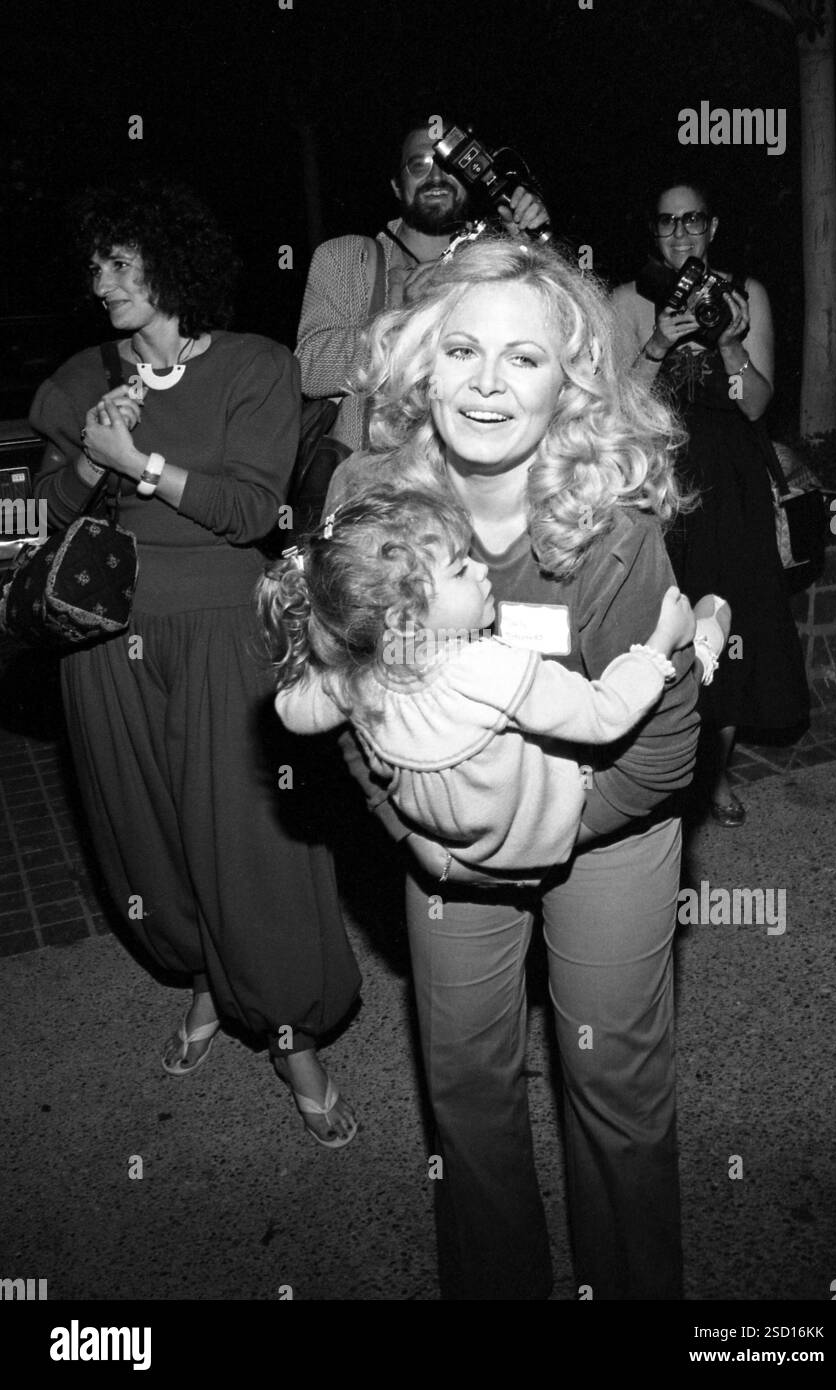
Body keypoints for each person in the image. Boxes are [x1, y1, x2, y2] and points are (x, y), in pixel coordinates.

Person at [316, 231, 702, 1298]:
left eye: (523, 359)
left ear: (567, 383)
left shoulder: (613, 527)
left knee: (613, 1089)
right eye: (461, 352)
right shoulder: (367, 501)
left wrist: (530, 834)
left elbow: (663, 745)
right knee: (468, 1092)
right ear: (417, 362)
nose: (487, 385)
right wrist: (419, 833)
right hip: (441, 832)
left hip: (606, 821)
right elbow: (347, 694)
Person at [29, 181, 360, 1148]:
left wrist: (137, 460)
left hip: (225, 630)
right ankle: (215, 983)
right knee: (150, 833)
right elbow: (51, 509)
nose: (103, 283)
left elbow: (256, 511)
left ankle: (290, 1025)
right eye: (95, 267)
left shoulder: (256, 364)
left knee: (246, 833)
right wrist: (91, 460)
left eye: (122, 263)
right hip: (104, 644)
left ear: (175, 266)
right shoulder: (82, 375)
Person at [260, 489, 729, 883]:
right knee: (685, 639)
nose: (482, 571)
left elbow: (289, 711)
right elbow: (606, 713)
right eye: (462, 569)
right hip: (538, 836)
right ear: (405, 619)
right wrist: (661, 642)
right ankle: (704, 645)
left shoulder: (354, 675)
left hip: (453, 844)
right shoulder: (487, 668)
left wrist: (330, 648)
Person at [612, 179, 808, 825]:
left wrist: (729, 342)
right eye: (667, 223)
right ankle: (660, 779)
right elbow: (617, 414)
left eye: (692, 219)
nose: (680, 233)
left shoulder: (746, 296)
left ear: (713, 226)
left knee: (729, 635)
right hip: (656, 491)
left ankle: (715, 779)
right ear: (655, 233)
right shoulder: (628, 302)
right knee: (658, 635)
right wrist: (660, 343)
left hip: (732, 491)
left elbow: (756, 403)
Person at [295, 120, 550, 451]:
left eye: (448, 167)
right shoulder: (346, 257)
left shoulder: (496, 264)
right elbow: (309, 369)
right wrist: (406, 318)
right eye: (419, 166)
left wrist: (533, 250)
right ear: (397, 186)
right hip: (373, 481)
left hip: (471, 478)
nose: (435, 178)